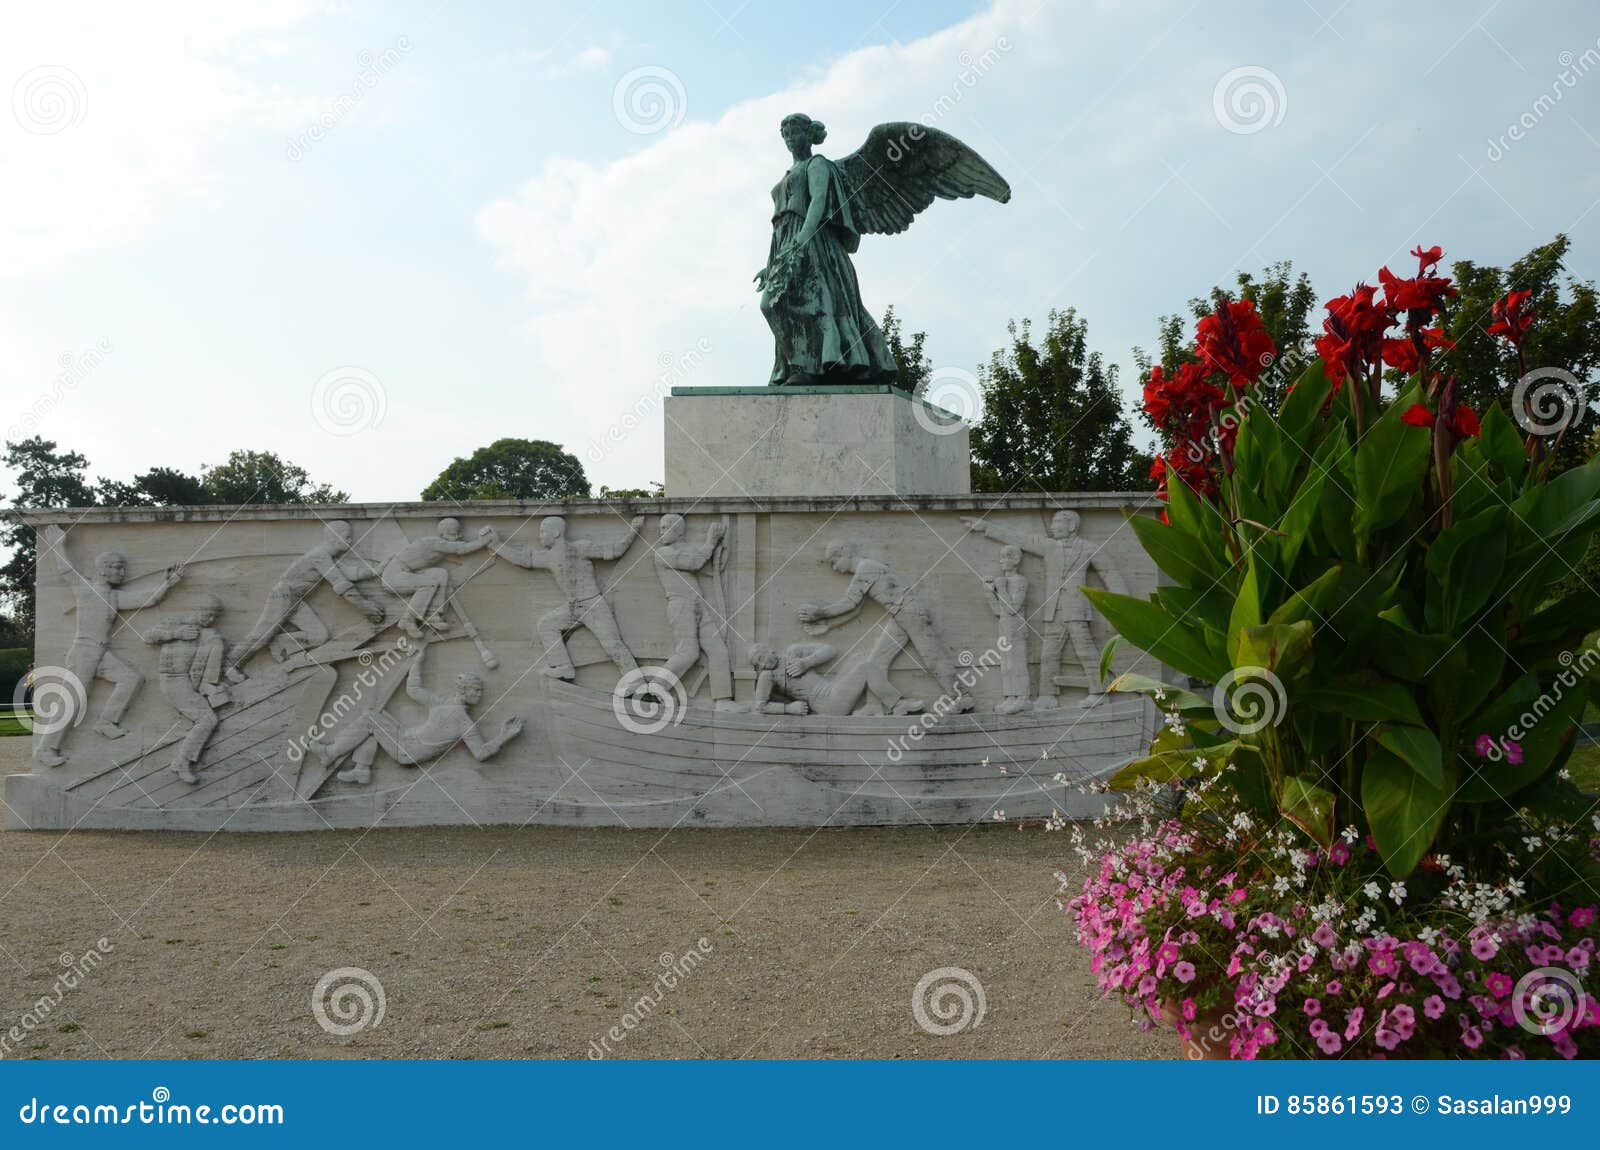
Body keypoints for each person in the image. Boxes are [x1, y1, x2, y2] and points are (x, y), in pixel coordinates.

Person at [755, 113, 897, 386]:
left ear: (808, 135)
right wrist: (770, 265)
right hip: (787, 246)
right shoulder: (789, 173)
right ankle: (800, 364)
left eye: (794, 132)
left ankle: (810, 368)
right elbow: (780, 228)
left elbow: (818, 202)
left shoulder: (817, 164)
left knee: (813, 304)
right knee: (772, 304)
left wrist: (802, 242)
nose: (788, 138)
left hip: (815, 246)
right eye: (784, 134)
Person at [35, 526, 185, 766]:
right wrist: (58, 544)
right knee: (73, 700)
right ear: (103, 569)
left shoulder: (114, 597)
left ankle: (106, 722)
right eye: (116, 566)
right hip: (84, 652)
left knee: (131, 678)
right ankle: (47, 749)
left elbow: (148, 599)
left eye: (122, 567)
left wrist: (168, 583)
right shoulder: (85, 588)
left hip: (101, 653)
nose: (122, 571)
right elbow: (65, 569)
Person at [962, 510, 1126, 706]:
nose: (1052, 527)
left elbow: (1110, 575)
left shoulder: (1089, 548)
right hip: (1054, 608)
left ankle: (1098, 693)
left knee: (1086, 650)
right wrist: (986, 527)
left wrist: (1123, 609)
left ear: (1072, 526)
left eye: (1057, 523)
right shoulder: (1050, 547)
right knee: (1049, 654)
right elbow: (1020, 539)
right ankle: (1047, 696)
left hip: (1076, 608)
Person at [308, 643, 523, 786]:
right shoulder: (443, 704)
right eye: (475, 690)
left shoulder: (462, 720)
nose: (479, 694)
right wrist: (417, 662)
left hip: (408, 751)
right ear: (462, 690)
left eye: (480, 691)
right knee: (373, 717)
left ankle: (331, 753)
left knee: (370, 719)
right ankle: (362, 770)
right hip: (405, 737)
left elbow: (481, 753)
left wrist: (505, 736)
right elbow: (413, 691)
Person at [798, 540, 971, 712]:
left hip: (911, 612)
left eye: (834, 562)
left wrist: (820, 613)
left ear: (845, 553)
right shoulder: (866, 569)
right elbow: (855, 610)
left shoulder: (866, 568)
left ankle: (962, 698)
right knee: (875, 662)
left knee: (933, 658)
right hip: (900, 615)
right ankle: (875, 706)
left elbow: (850, 603)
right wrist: (829, 624)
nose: (835, 568)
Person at [488, 515, 643, 680]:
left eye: (543, 531)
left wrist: (633, 531)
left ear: (555, 533)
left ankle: (637, 682)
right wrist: (497, 545)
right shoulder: (549, 556)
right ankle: (563, 667)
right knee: (547, 625)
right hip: (572, 608)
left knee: (613, 645)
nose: (539, 536)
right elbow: (524, 559)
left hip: (592, 605)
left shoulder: (580, 548)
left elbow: (615, 550)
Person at [230, 520, 387, 673]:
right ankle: (231, 664)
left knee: (319, 635)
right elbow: (340, 583)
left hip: (296, 599)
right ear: (334, 537)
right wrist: (365, 607)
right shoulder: (319, 555)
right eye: (346, 536)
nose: (350, 540)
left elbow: (351, 573)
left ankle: (280, 643)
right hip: (284, 596)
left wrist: (377, 570)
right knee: (262, 635)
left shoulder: (328, 558)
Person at [652, 515, 735, 709]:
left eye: (665, 528)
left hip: (698, 604)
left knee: (719, 651)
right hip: (681, 605)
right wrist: (711, 541)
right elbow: (696, 562)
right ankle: (657, 686)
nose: (661, 532)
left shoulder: (685, 549)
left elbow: (708, 567)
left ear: (679, 530)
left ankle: (723, 701)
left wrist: (719, 547)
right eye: (661, 528)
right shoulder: (662, 553)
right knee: (688, 652)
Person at [144, 595, 230, 782]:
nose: (211, 619)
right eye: (208, 614)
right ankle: (181, 762)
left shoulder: (207, 633)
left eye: (214, 616)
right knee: (207, 719)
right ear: (197, 609)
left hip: (191, 680)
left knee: (215, 639)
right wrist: (176, 634)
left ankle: (209, 684)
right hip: (173, 680)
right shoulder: (174, 622)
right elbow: (148, 636)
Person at [380, 517, 493, 639]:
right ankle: (408, 620)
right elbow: (461, 549)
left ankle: (433, 614)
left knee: (440, 573)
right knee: (428, 584)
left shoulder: (440, 543)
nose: (459, 536)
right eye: (455, 534)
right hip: (393, 576)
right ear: (444, 534)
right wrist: (484, 541)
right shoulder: (435, 543)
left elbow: (459, 546)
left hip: (407, 572)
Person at [747, 642, 922, 718]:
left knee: (859, 656)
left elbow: (830, 649)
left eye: (763, 655)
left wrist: (806, 662)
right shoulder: (767, 676)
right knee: (865, 668)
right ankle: (897, 704)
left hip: (833, 688)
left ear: (770, 650)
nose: (764, 662)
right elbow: (759, 706)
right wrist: (788, 708)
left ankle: (871, 707)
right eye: (759, 662)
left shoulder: (793, 653)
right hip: (828, 703)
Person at [982, 545, 1031, 714]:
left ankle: (1023, 698)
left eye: (1006, 557)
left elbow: (1013, 609)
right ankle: (1011, 696)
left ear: (1016, 560)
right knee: (1006, 665)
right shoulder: (1002, 581)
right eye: (1001, 557)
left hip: (1016, 627)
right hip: (1004, 627)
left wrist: (1001, 589)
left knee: (1017, 663)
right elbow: (999, 611)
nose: (1002, 561)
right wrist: (989, 592)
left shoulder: (1020, 580)